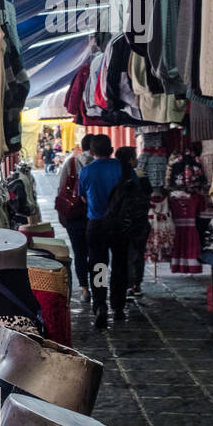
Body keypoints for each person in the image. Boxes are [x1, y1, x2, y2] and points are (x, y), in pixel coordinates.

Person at [79, 135, 127, 329]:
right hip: (120, 224)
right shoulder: (122, 168)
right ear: (112, 149)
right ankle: (119, 306)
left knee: (98, 266)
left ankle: (100, 305)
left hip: (97, 224)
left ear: (92, 152)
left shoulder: (87, 171)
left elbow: (82, 197)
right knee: (119, 264)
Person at [59, 134, 94, 300]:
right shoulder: (101, 165)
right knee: (98, 254)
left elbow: (61, 190)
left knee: (79, 253)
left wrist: (62, 214)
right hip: (97, 216)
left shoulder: (70, 162)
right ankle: (100, 287)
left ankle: (84, 289)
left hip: (74, 216)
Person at [117, 146, 152, 299]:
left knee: (122, 254)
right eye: (134, 157)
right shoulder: (140, 176)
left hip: (120, 222)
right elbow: (148, 193)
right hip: (139, 221)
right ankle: (135, 284)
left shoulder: (116, 175)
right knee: (137, 253)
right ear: (130, 159)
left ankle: (124, 284)